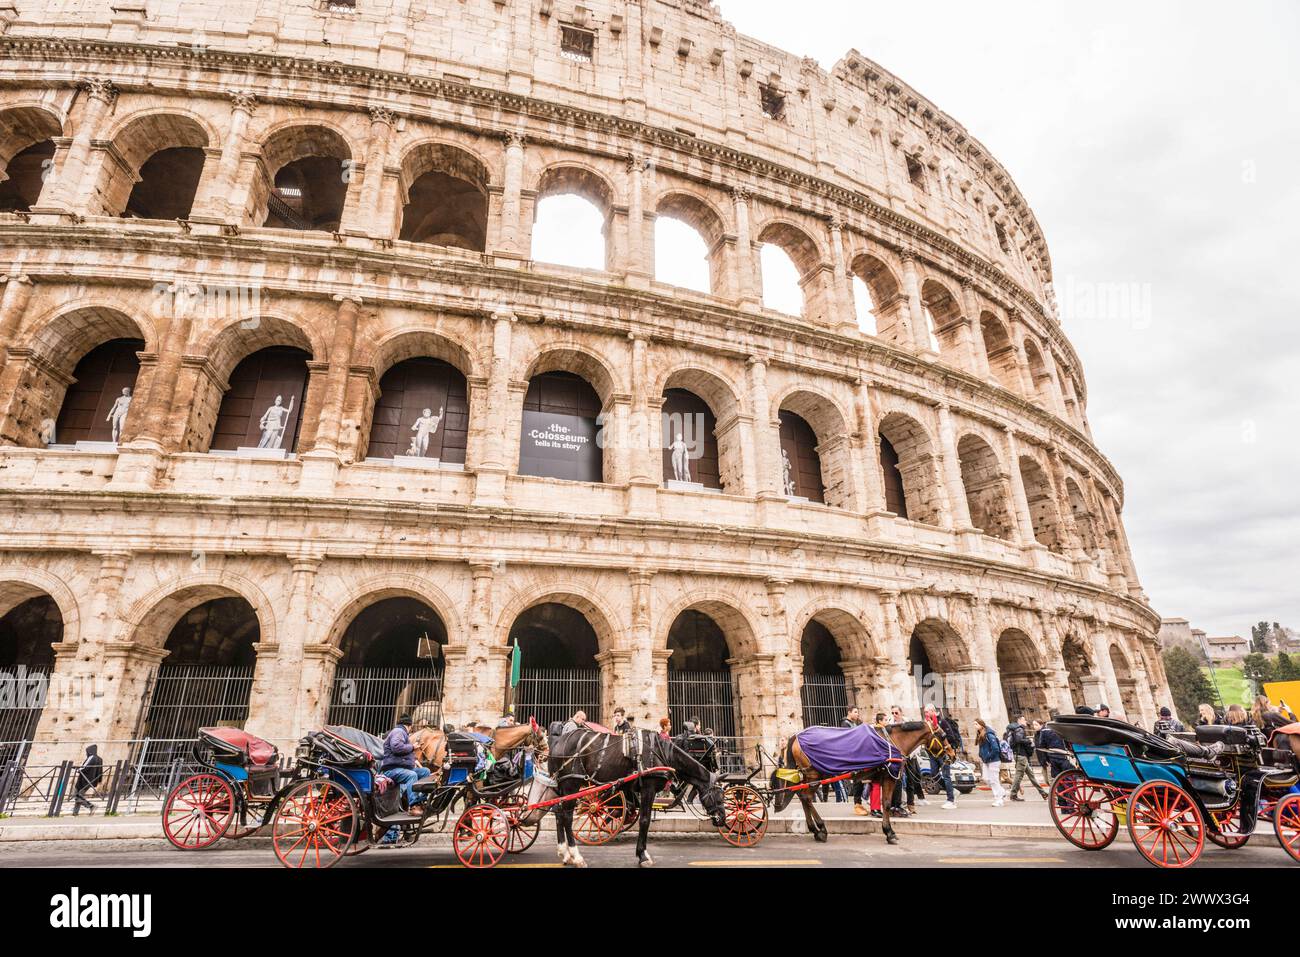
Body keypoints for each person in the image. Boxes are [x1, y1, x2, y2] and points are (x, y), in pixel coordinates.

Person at [380, 714, 431, 810]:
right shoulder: (398, 731)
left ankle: (421, 800)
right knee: (411, 775)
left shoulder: (400, 732)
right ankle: (414, 805)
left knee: (425, 772)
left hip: (401, 769)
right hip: (391, 770)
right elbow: (396, 747)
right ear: (409, 726)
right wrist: (413, 747)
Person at [1005, 714, 1047, 801]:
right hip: (1021, 755)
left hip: (1019, 755)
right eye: (1024, 720)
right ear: (1019, 720)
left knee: (1031, 775)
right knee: (1018, 776)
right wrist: (1029, 740)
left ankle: (1043, 793)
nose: (1025, 722)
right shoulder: (1019, 729)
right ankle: (1013, 794)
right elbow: (1019, 740)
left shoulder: (1014, 729)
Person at [923, 705, 957, 809]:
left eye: (927, 711)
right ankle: (952, 790)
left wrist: (941, 733)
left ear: (933, 711)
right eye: (925, 712)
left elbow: (951, 737)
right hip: (933, 754)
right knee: (934, 775)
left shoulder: (942, 722)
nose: (925, 714)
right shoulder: (926, 724)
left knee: (946, 776)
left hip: (944, 753)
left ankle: (951, 800)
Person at [975, 718, 1006, 807]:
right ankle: (1002, 792)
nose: (975, 726)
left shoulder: (989, 734)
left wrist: (988, 756)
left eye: (976, 724)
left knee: (994, 780)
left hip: (994, 760)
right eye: (974, 724)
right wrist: (981, 755)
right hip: (986, 761)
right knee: (986, 778)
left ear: (981, 724)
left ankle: (999, 799)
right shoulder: (980, 734)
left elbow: (995, 748)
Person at [1034, 716, 1072, 783]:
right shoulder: (1063, 729)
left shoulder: (1044, 731)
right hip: (1064, 756)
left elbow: (1042, 746)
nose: (1034, 726)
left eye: (1036, 725)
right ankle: (1069, 792)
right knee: (1068, 777)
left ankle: (1061, 792)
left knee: (1057, 778)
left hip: (1052, 757)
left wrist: (1047, 758)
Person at [839, 707, 863, 808]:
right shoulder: (845, 724)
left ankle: (859, 801)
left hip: (857, 753)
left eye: (858, 712)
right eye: (855, 712)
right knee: (858, 778)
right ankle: (857, 803)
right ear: (849, 712)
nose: (857, 714)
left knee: (860, 778)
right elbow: (849, 738)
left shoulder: (855, 723)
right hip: (852, 754)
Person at [71, 744, 104, 816]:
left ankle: (91, 806)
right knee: (79, 796)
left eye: (87, 752)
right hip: (91, 780)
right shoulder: (99, 759)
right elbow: (100, 770)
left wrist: (77, 770)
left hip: (84, 780)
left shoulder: (92, 757)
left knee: (76, 795)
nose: (86, 753)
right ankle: (75, 813)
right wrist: (99, 780)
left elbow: (84, 767)